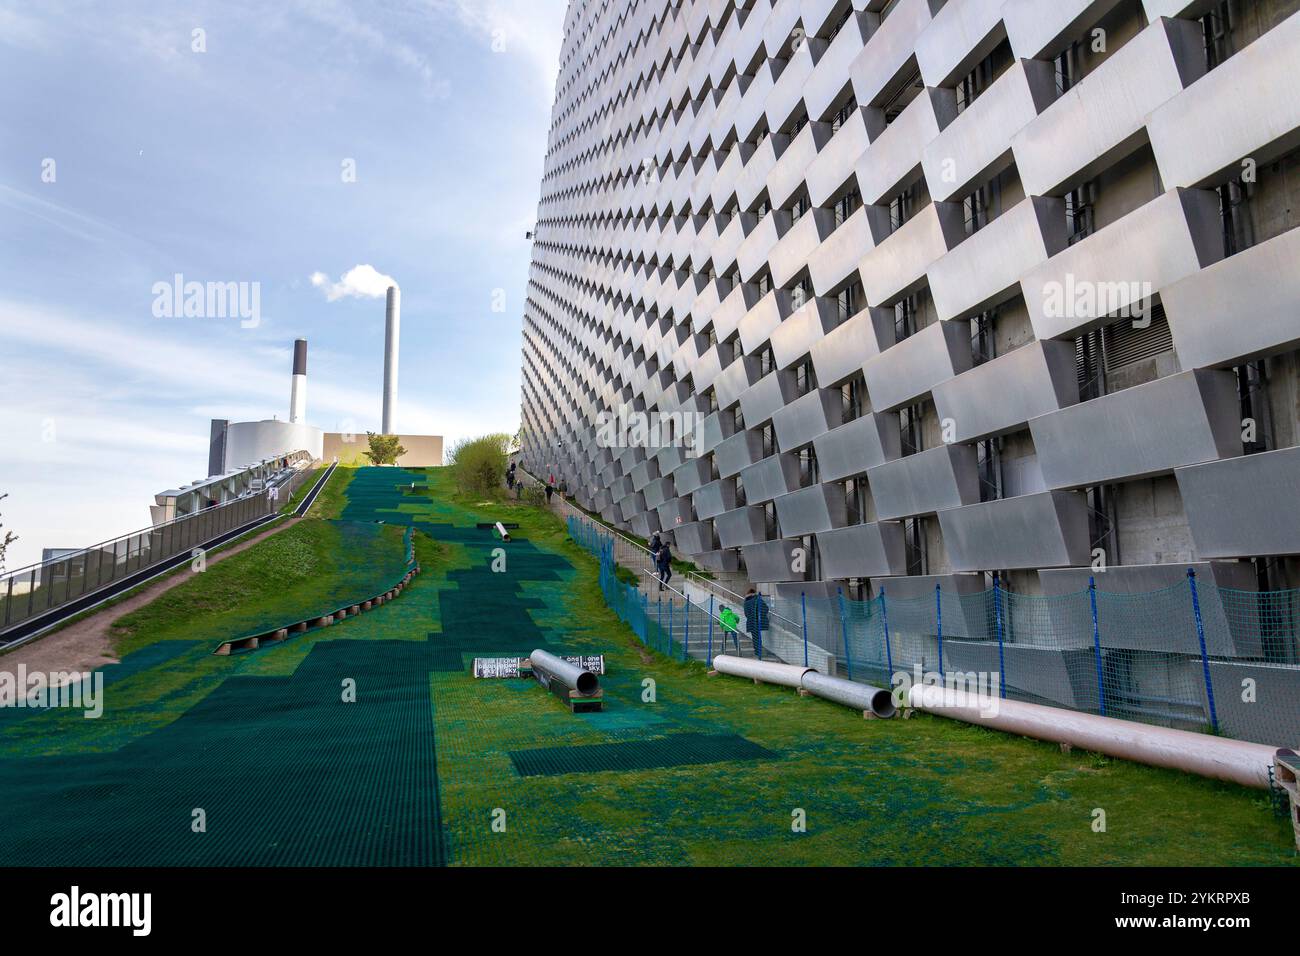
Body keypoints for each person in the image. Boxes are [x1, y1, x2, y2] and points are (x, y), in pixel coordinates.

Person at [742, 588, 769, 657]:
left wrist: (751, 616)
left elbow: (746, 614)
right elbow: (766, 608)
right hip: (758, 621)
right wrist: (760, 615)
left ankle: (757, 652)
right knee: (758, 637)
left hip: (751, 622)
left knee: (755, 637)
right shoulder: (758, 599)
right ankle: (759, 652)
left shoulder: (746, 602)